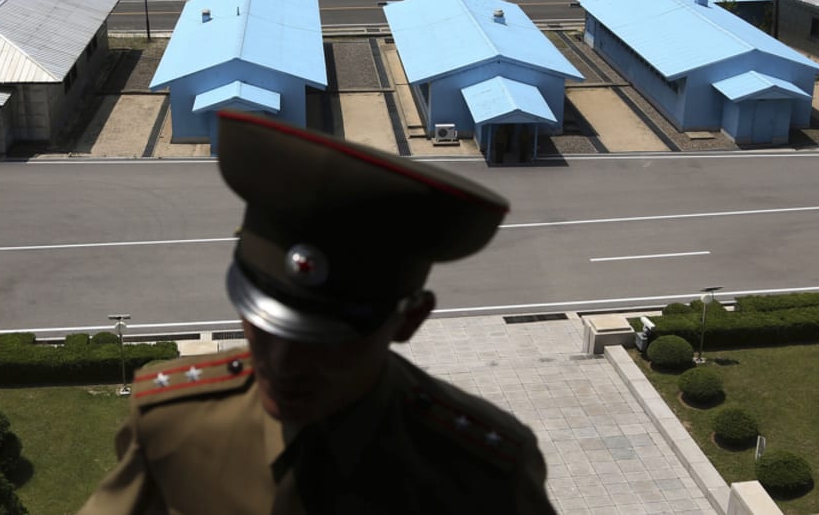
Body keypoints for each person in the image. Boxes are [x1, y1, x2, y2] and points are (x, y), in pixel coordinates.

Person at [79, 110, 556, 514]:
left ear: (409, 320)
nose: (282, 363)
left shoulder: (480, 475)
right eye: (264, 323)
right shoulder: (172, 425)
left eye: (326, 340)